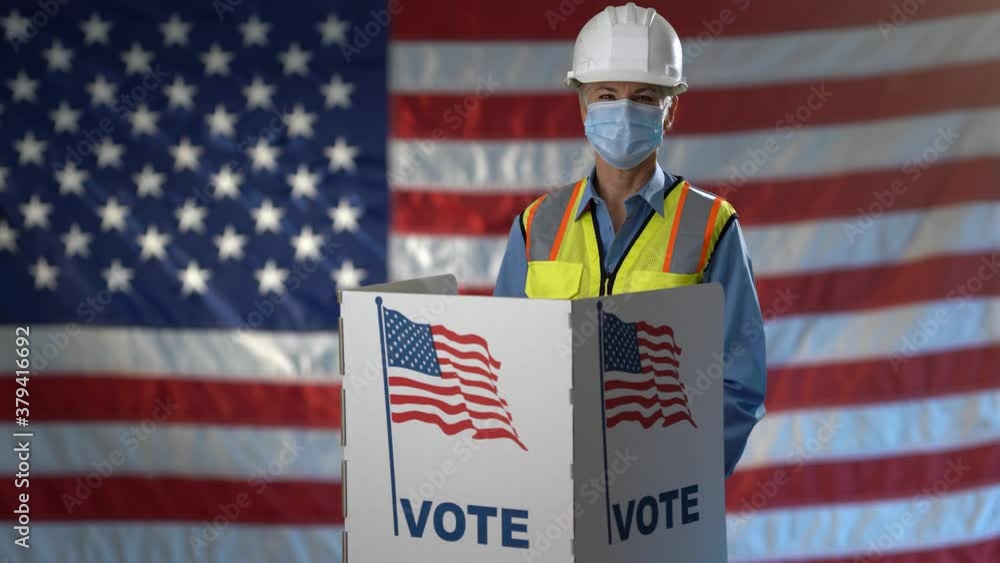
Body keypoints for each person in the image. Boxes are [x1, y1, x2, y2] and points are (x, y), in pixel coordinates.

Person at [493, 3, 766, 476]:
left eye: (643, 97)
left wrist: (672, 480)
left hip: (659, 504)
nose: (622, 110)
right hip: (552, 490)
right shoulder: (536, 224)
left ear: (670, 108)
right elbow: (504, 366)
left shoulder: (712, 226)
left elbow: (738, 384)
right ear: (581, 104)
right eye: (606, 94)